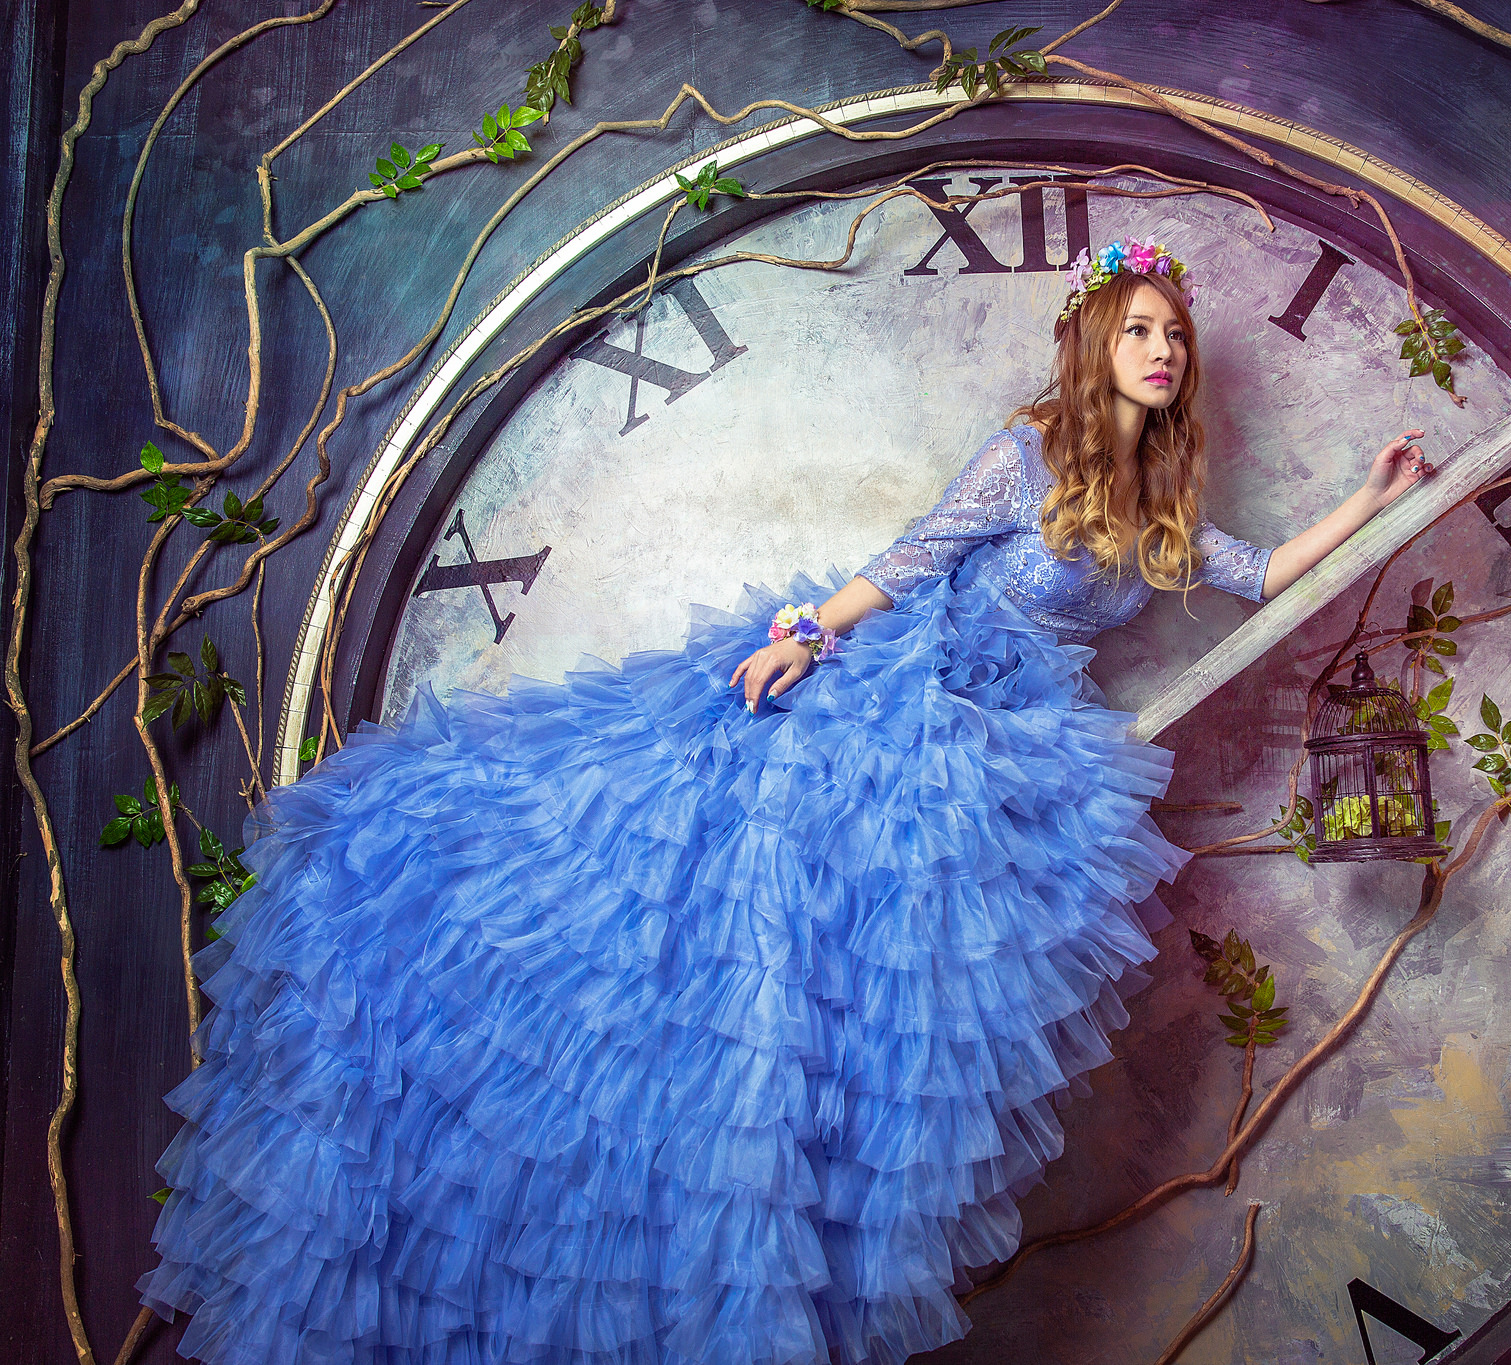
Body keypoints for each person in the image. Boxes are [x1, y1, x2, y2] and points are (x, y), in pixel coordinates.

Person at [138, 238, 1429, 1365]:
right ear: (1097, 346)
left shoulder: (1157, 505)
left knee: (898, 1016)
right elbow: (915, 556)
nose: (1162, 351)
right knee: (755, 938)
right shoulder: (1027, 452)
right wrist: (808, 631)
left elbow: (1260, 573)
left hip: (1013, 751)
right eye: (1140, 330)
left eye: (1174, 338)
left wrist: (1372, 496)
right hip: (910, 699)